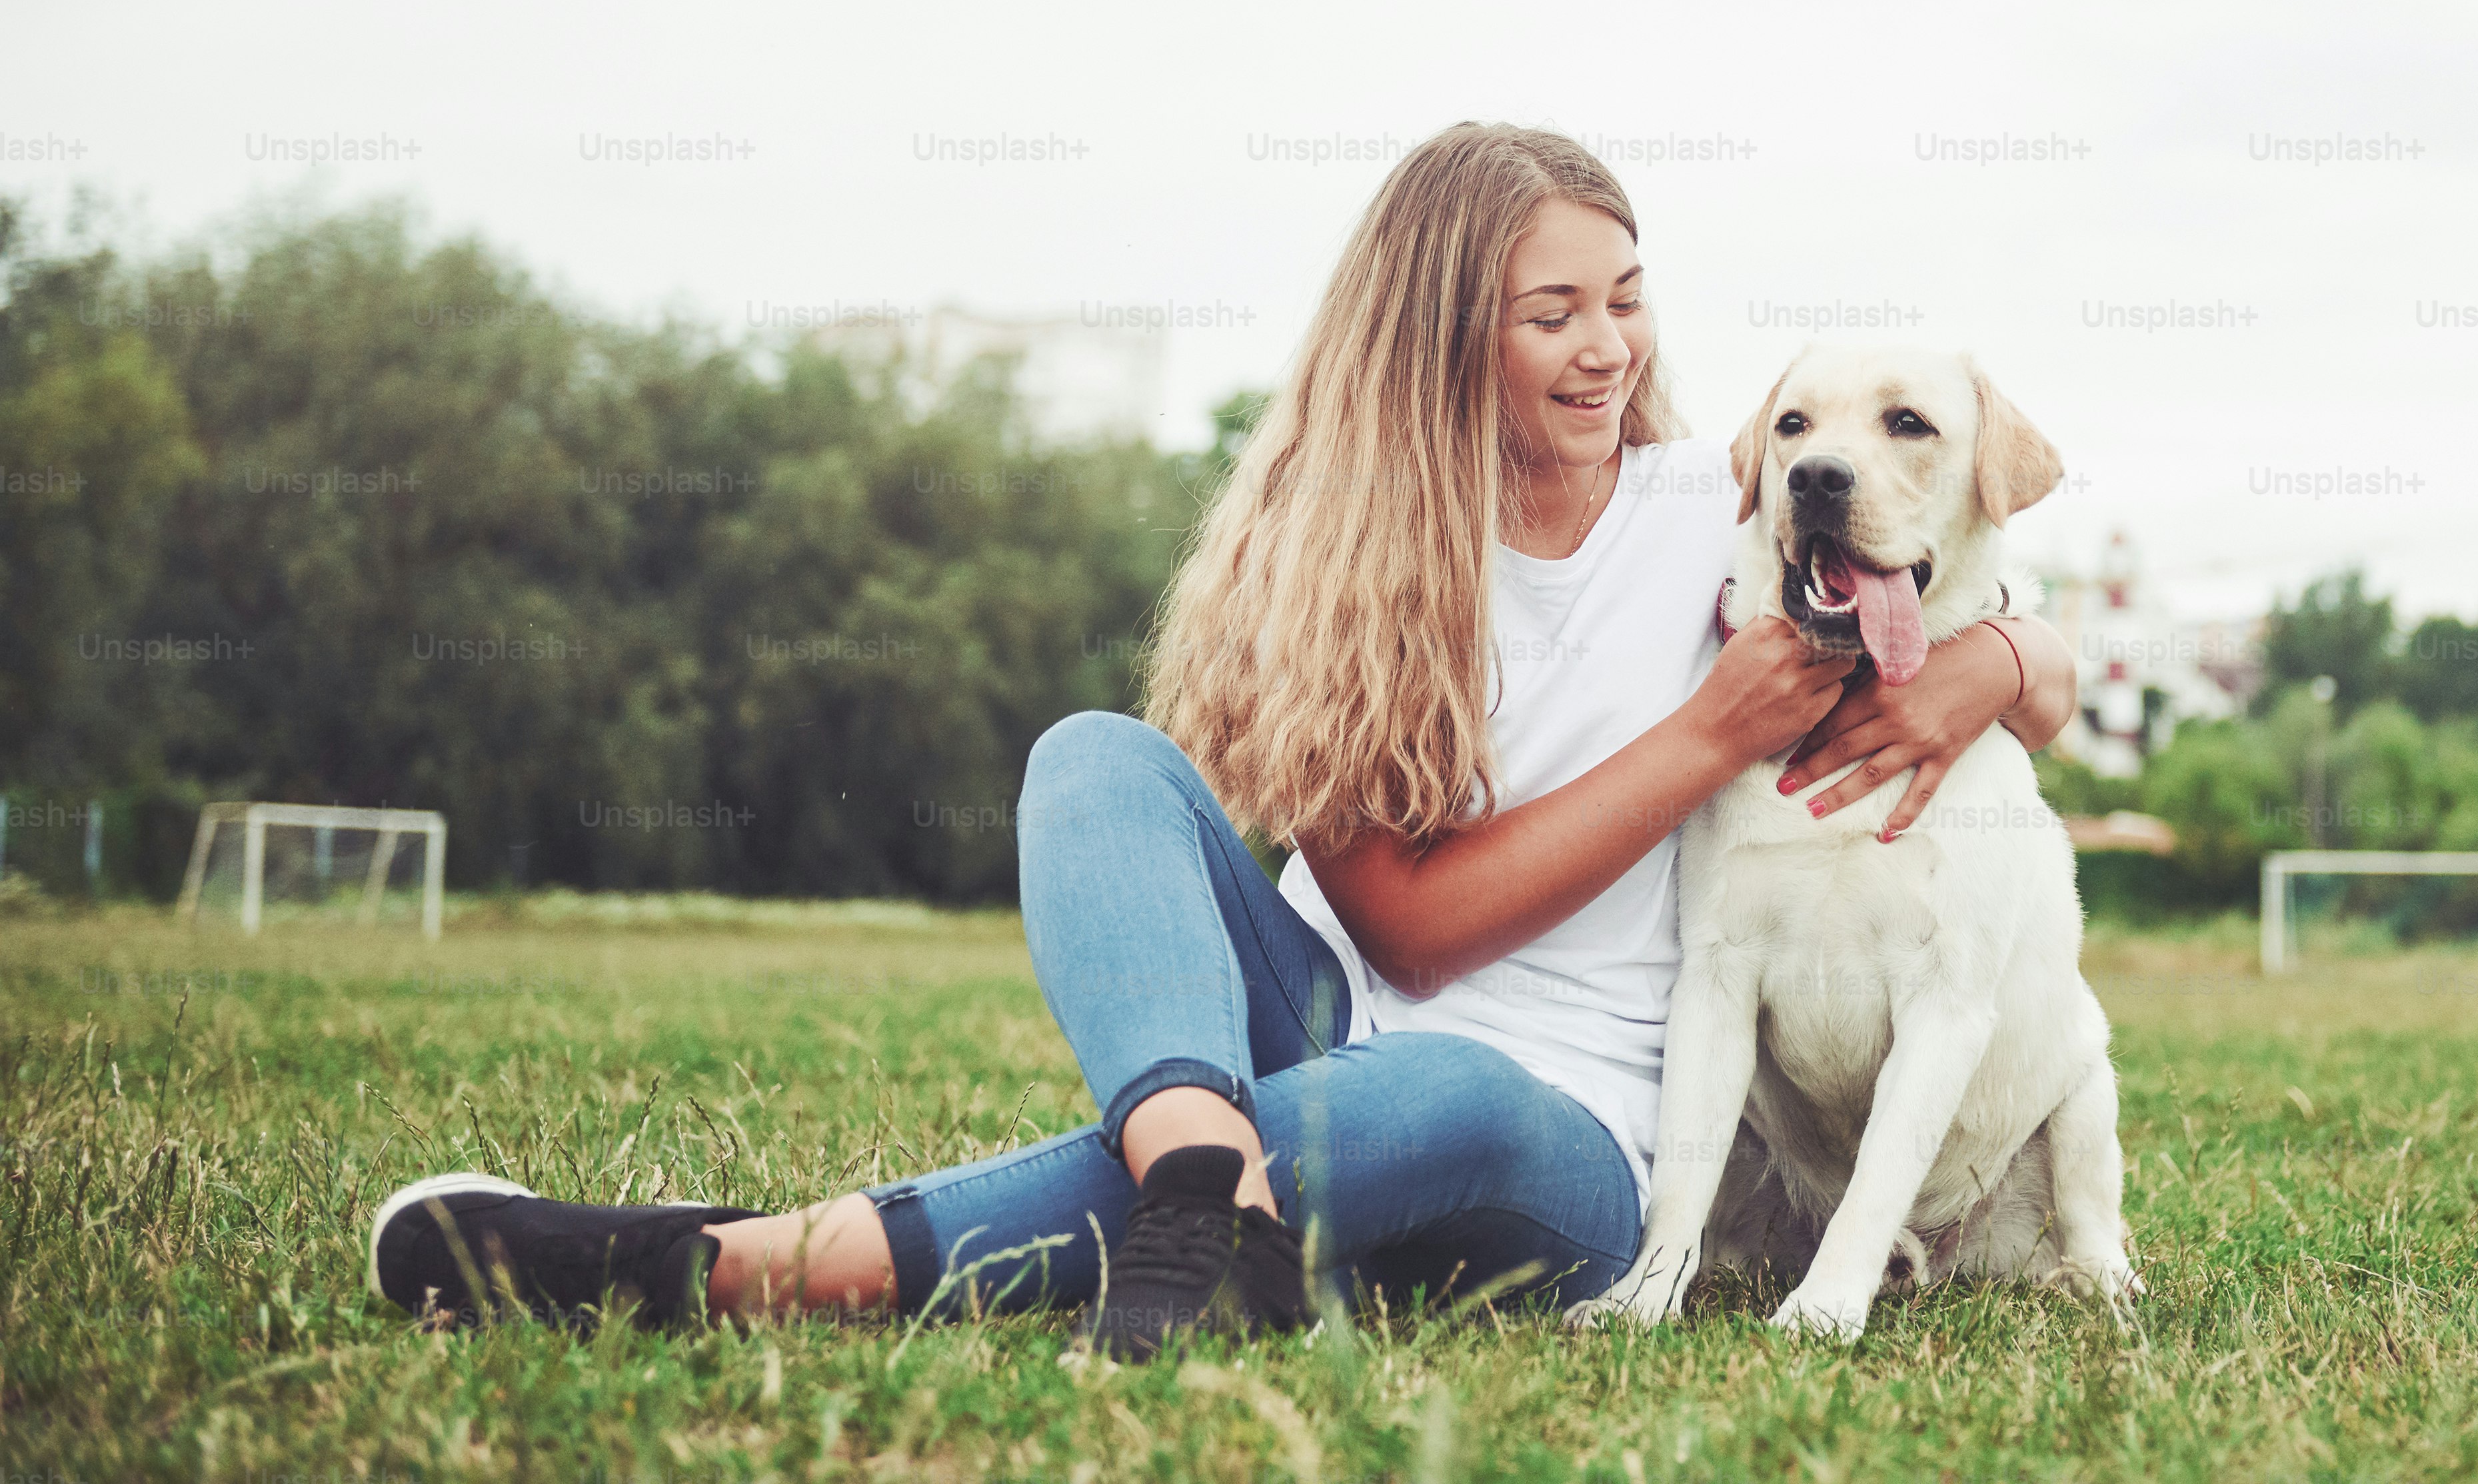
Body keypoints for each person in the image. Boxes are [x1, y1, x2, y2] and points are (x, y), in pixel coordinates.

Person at [368, 124, 2076, 1351]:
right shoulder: (1337, 552)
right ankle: (1204, 1181)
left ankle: (718, 1270)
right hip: (1322, 1014)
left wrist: (2002, 659)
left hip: (1571, 1139)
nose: (1607, 347)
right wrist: (1705, 736)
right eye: (1550, 311)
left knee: (1449, 1094)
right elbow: (1405, 924)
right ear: (1440, 334)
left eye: (1624, 297)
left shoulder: (1710, 507)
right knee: (1091, 758)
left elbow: (2006, 606)